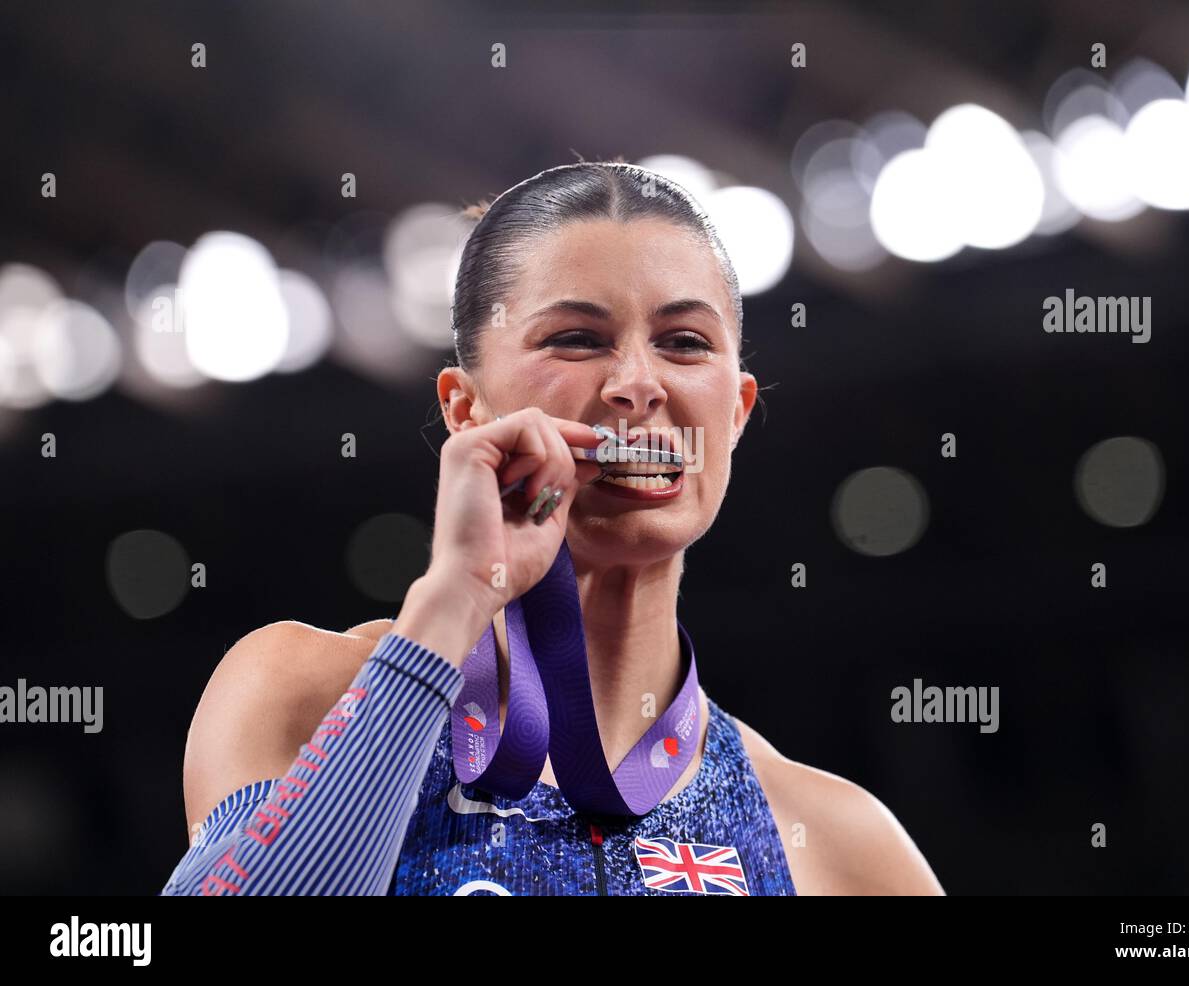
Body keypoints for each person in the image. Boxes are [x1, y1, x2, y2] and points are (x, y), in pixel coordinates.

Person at [161, 161, 945, 895]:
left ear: (735, 413)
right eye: (576, 338)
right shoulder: (305, 691)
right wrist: (455, 600)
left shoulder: (837, 846)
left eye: (684, 343)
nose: (638, 384)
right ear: (465, 408)